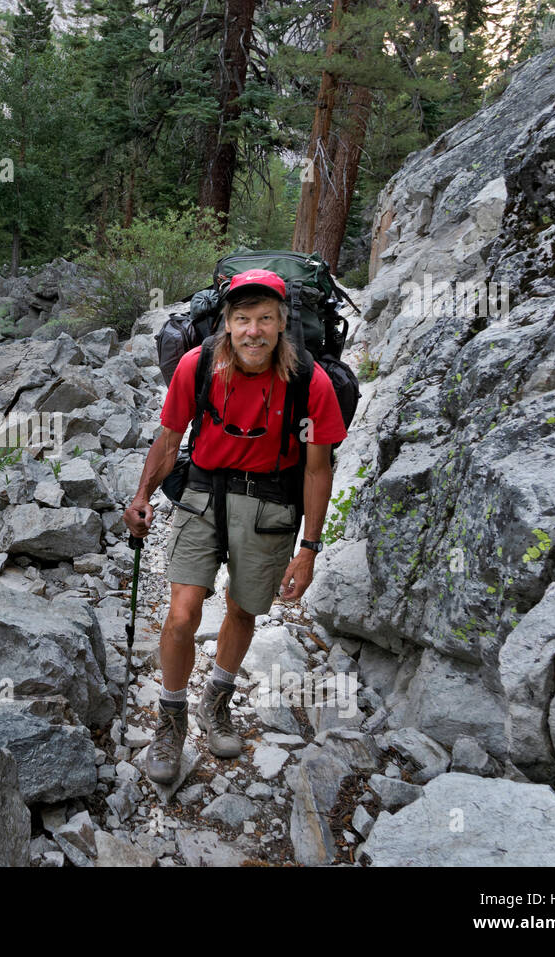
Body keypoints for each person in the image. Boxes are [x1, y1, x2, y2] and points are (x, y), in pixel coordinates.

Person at [122, 268, 348, 785]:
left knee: (243, 610)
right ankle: (171, 720)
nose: (253, 331)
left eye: (265, 319)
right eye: (242, 318)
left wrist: (309, 548)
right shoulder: (195, 367)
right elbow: (170, 437)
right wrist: (141, 497)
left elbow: (318, 469)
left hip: (270, 504)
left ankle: (217, 701)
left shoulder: (309, 381)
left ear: (282, 323)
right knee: (182, 615)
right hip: (202, 494)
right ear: (226, 323)